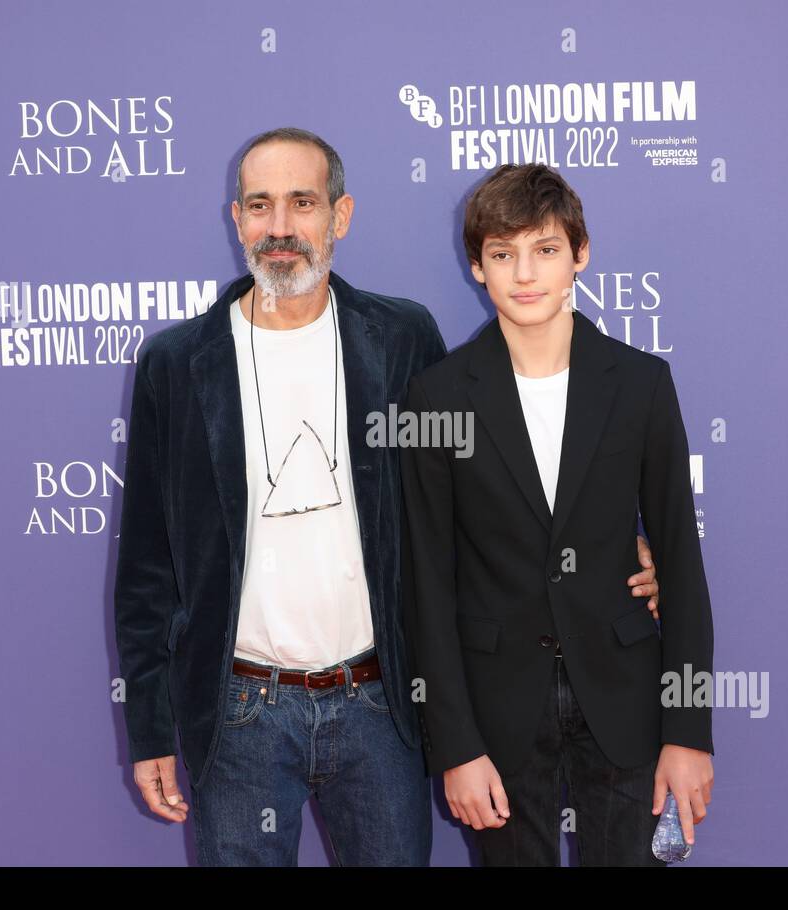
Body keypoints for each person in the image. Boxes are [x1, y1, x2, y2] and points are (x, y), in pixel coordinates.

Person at [113, 129, 665, 865]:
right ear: (237, 219)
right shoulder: (177, 365)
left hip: (381, 704)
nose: (281, 227)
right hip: (240, 709)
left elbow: (481, 494)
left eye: (302, 203)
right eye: (260, 205)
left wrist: (609, 554)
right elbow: (148, 566)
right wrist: (150, 728)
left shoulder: (402, 340)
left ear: (339, 216)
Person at [400, 163, 713, 866]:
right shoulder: (438, 396)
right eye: (502, 253)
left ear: (580, 253)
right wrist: (455, 745)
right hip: (496, 708)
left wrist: (688, 731)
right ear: (477, 267)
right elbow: (427, 580)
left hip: (626, 696)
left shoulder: (640, 383)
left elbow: (682, 565)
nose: (525, 273)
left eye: (544, 249)